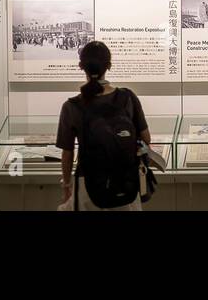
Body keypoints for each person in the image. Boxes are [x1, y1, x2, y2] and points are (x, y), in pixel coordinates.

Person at [55, 40, 151, 211]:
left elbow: (67, 153)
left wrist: (67, 187)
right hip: (126, 183)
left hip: (88, 185)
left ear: (80, 66)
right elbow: (146, 139)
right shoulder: (128, 98)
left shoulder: (72, 106)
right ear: (109, 66)